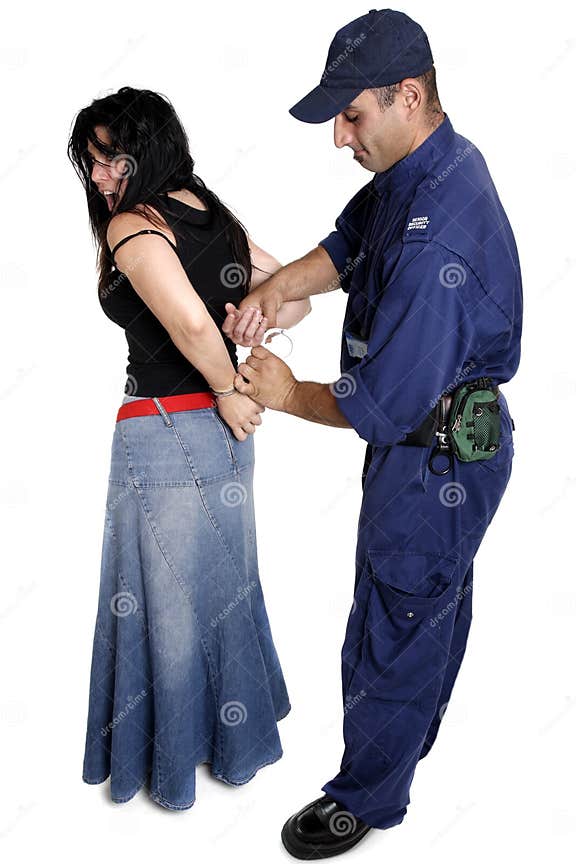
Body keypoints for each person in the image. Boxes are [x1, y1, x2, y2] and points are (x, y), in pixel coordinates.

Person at [223, 8, 522, 858]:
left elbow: (378, 408)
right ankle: (406, 746)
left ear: (409, 94)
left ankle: (365, 799)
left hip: (429, 458)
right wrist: (286, 285)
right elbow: (356, 235)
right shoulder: (431, 166)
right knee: (427, 607)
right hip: (452, 447)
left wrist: (281, 392)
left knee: (392, 622)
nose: (338, 138)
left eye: (351, 117)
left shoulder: (438, 244)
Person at [68, 86, 311, 810]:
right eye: (93, 164)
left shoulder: (134, 228)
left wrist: (232, 377)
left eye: (111, 160)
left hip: (170, 429)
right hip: (223, 436)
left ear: (148, 150)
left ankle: (176, 767)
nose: (102, 178)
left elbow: (192, 329)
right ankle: (227, 746)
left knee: (165, 605)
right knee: (221, 590)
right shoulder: (211, 212)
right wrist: (255, 322)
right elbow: (292, 292)